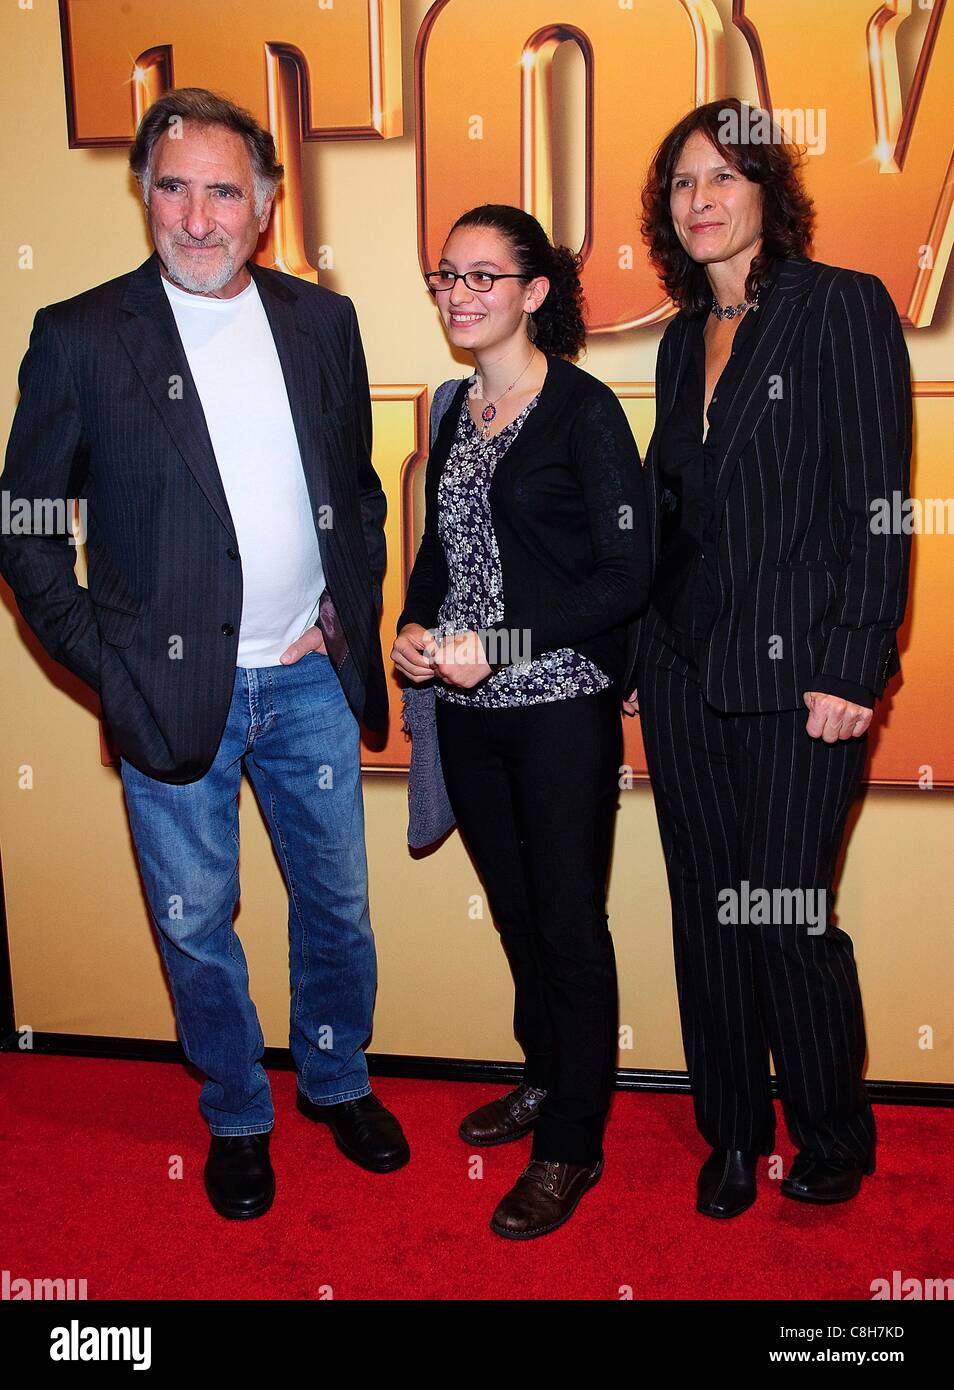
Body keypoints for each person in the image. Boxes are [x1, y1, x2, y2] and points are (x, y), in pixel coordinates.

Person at [0, 87, 408, 1221]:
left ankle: (334, 1077)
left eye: (222, 189)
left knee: (336, 905)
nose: (195, 214)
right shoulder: (81, 334)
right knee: (194, 920)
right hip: (170, 693)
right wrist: (106, 659)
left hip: (311, 682)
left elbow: (358, 492)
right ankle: (236, 1108)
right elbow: (25, 522)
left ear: (265, 205)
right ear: (144, 195)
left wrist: (349, 599)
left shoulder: (322, 322)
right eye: (171, 186)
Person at [627, 99, 912, 1217]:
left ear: (766, 195)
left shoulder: (840, 307)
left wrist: (854, 663)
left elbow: (881, 504)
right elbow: (674, 510)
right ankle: (733, 1131)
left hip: (806, 680)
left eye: (723, 178)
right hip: (688, 670)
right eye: (682, 184)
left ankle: (831, 1128)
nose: (700, 200)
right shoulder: (673, 337)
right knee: (705, 907)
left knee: (785, 907)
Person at [392, 204, 651, 1239]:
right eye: (447, 275)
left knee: (570, 925)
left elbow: (624, 579)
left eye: (484, 276)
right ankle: (545, 1077)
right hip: (467, 715)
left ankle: (571, 1145)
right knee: (514, 913)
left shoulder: (585, 413)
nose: (460, 293)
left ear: (535, 292)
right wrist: (412, 626)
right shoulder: (458, 406)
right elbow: (438, 550)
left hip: (559, 712)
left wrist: (494, 645)